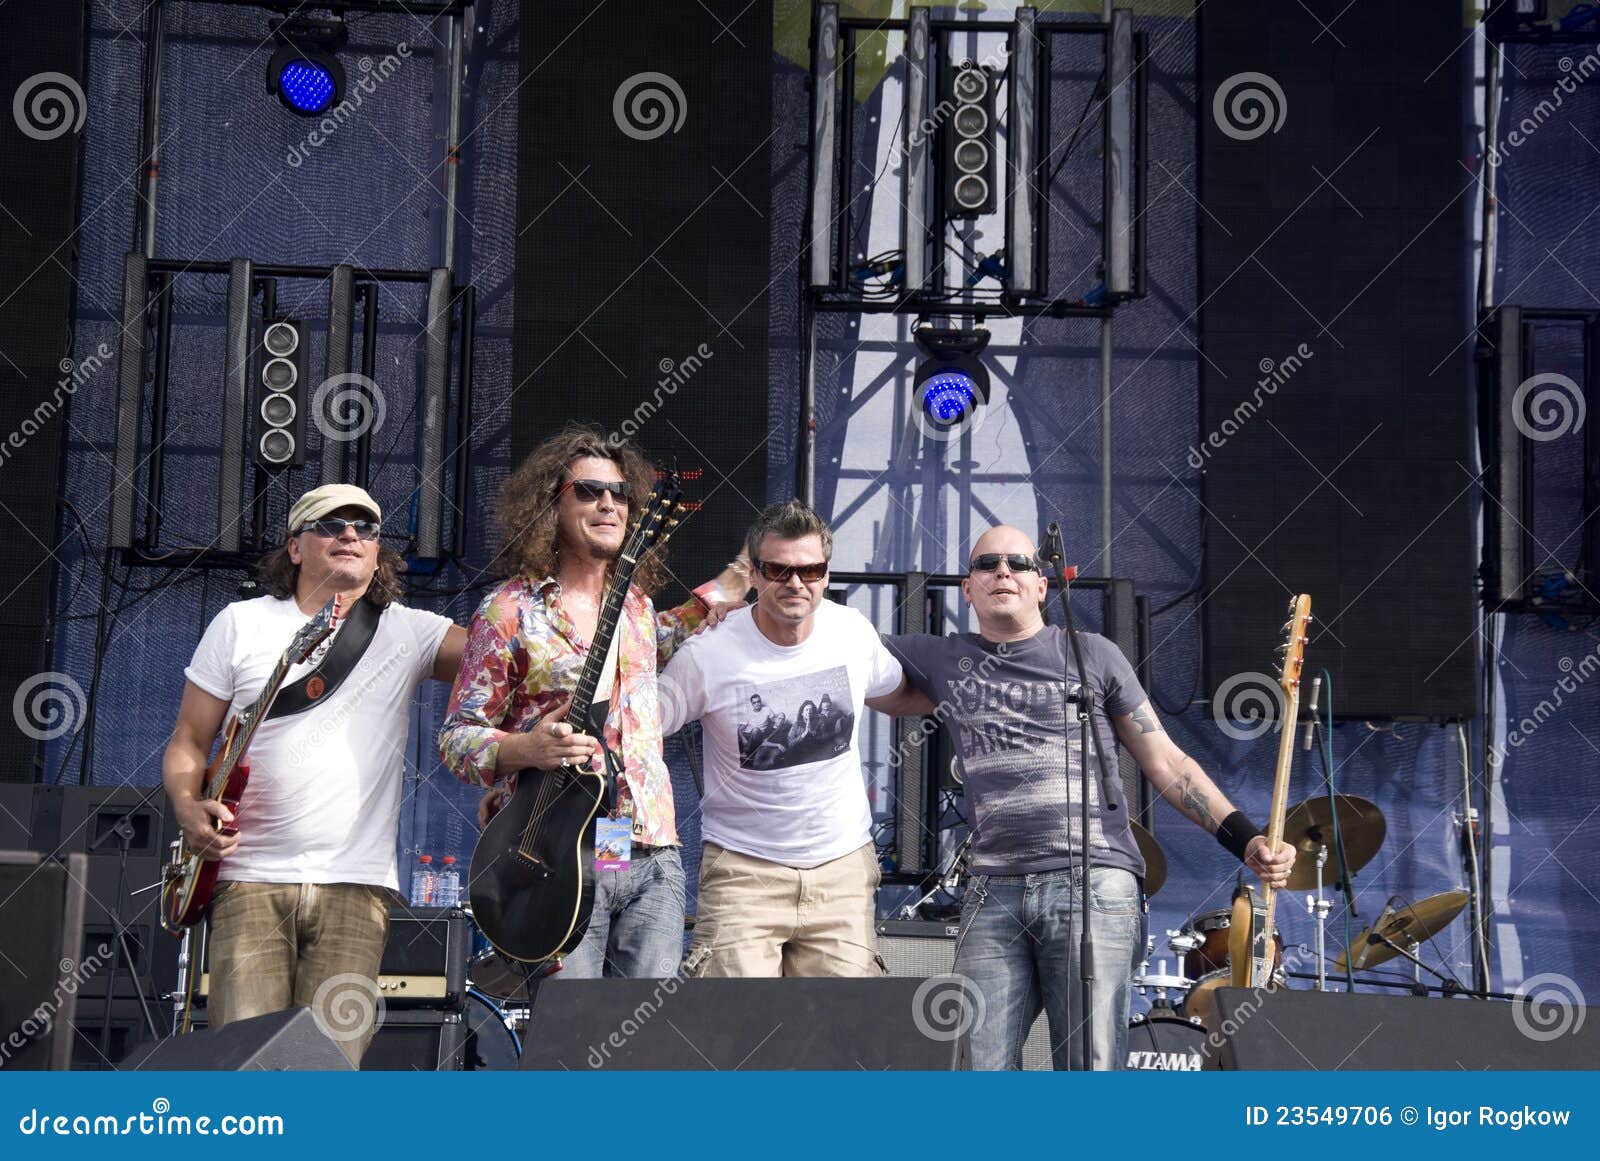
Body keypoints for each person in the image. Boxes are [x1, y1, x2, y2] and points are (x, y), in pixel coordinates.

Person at [878, 524, 1296, 1071]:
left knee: (1089, 1068)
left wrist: (1244, 839)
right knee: (975, 1066)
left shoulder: (1093, 654)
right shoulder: (941, 658)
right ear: (968, 587)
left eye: (1019, 563)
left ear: (1042, 584)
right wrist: (738, 600)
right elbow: (831, 643)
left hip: (1093, 884)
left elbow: (1167, 761)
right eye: (988, 564)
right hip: (992, 891)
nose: (1003, 571)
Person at [162, 484, 466, 1065]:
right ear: (296, 547)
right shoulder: (240, 624)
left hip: (354, 884)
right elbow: (188, 741)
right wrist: (185, 803)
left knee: (327, 1070)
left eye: (366, 527)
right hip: (248, 880)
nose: (351, 534)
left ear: (378, 553)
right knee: (248, 1070)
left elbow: (503, 658)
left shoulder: (411, 631)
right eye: (332, 524)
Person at [440, 424, 747, 979]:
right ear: (550, 504)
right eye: (588, 490)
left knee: (644, 1045)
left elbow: (674, 630)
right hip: (557, 855)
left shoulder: (635, 608)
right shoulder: (509, 611)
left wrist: (745, 572)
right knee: (571, 1039)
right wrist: (526, 749)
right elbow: (458, 738)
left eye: (620, 493)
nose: (608, 502)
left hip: (646, 848)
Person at [658, 499, 913, 977]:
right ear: (753, 574)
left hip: (841, 871)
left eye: (810, 569)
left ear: (826, 574)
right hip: (743, 875)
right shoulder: (709, 652)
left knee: (842, 1043)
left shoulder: (852, 632)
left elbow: (900, 691)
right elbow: (641, 724)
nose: (796, 582)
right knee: (734, 1043)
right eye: (779, 570)